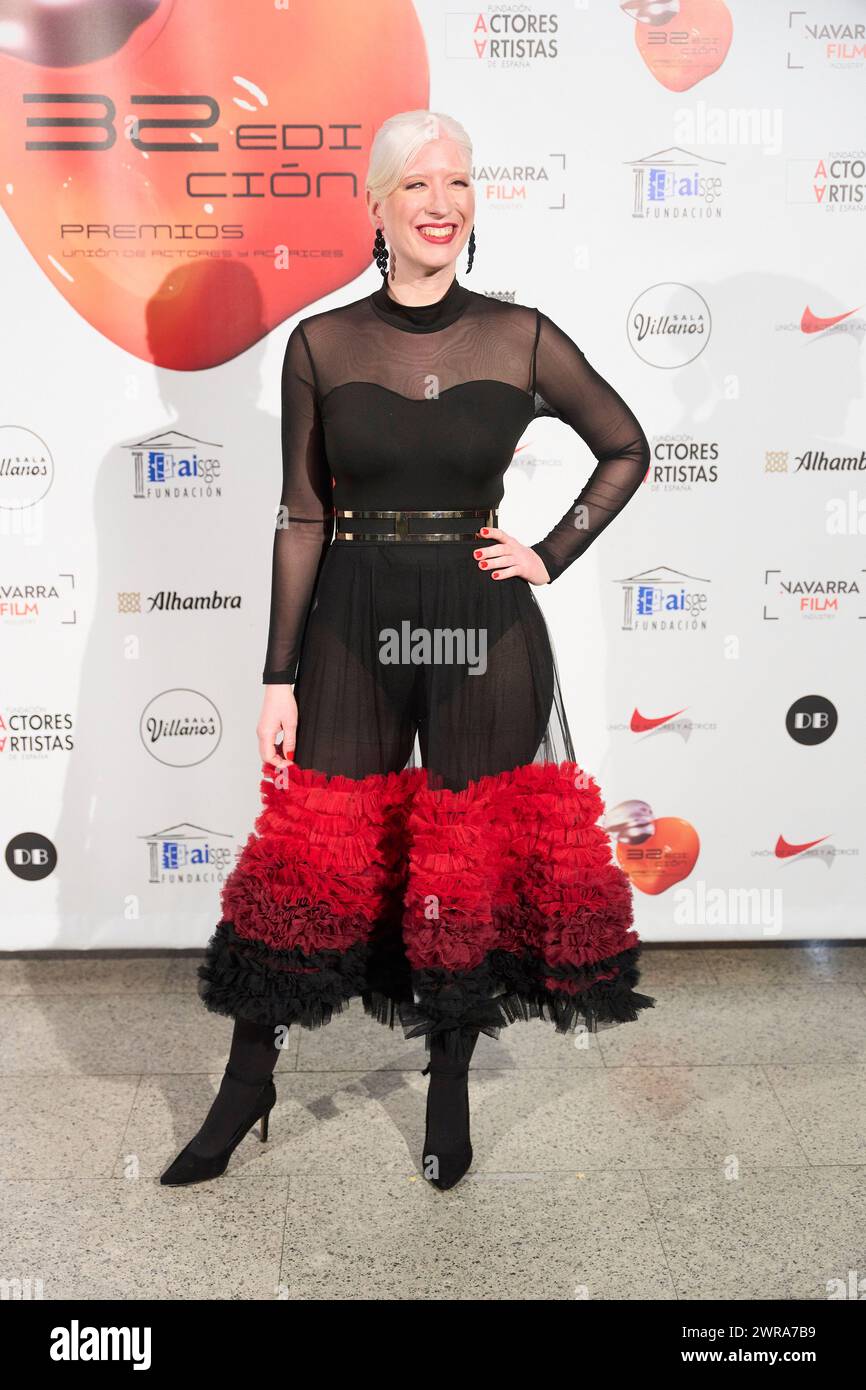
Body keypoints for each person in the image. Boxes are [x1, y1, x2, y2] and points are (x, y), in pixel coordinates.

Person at [162, 109, 656, 1191]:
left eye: (460, 183)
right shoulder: (321, 345)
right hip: (351, 619)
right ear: (376, 205)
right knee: (307, 857)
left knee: (460, 868)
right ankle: (247, 1083)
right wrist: (276, 674)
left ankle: (445, 1078)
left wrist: (550, 553)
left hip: (483, 629)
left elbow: (624, 445)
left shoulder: (519, 335)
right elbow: (302, 517)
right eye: (419, 184)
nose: (442, 203)